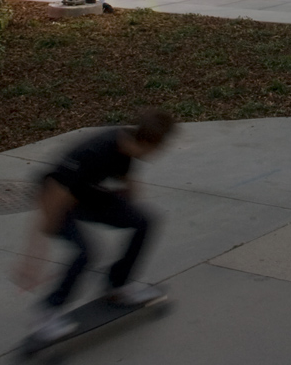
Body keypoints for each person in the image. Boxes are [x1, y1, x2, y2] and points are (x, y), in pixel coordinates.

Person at [18, 109, 176, 342]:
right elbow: (53, 197)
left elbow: (127, 183)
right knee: (87, 252)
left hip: (84, 195)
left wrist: (129, 210)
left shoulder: (128, 145)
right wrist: (33, 258)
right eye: (158, 149)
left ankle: (117, 287)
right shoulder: (95, 151)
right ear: (148, 143)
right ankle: (46, 313)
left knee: (143, 221)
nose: (158, 154)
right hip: (54, 200)